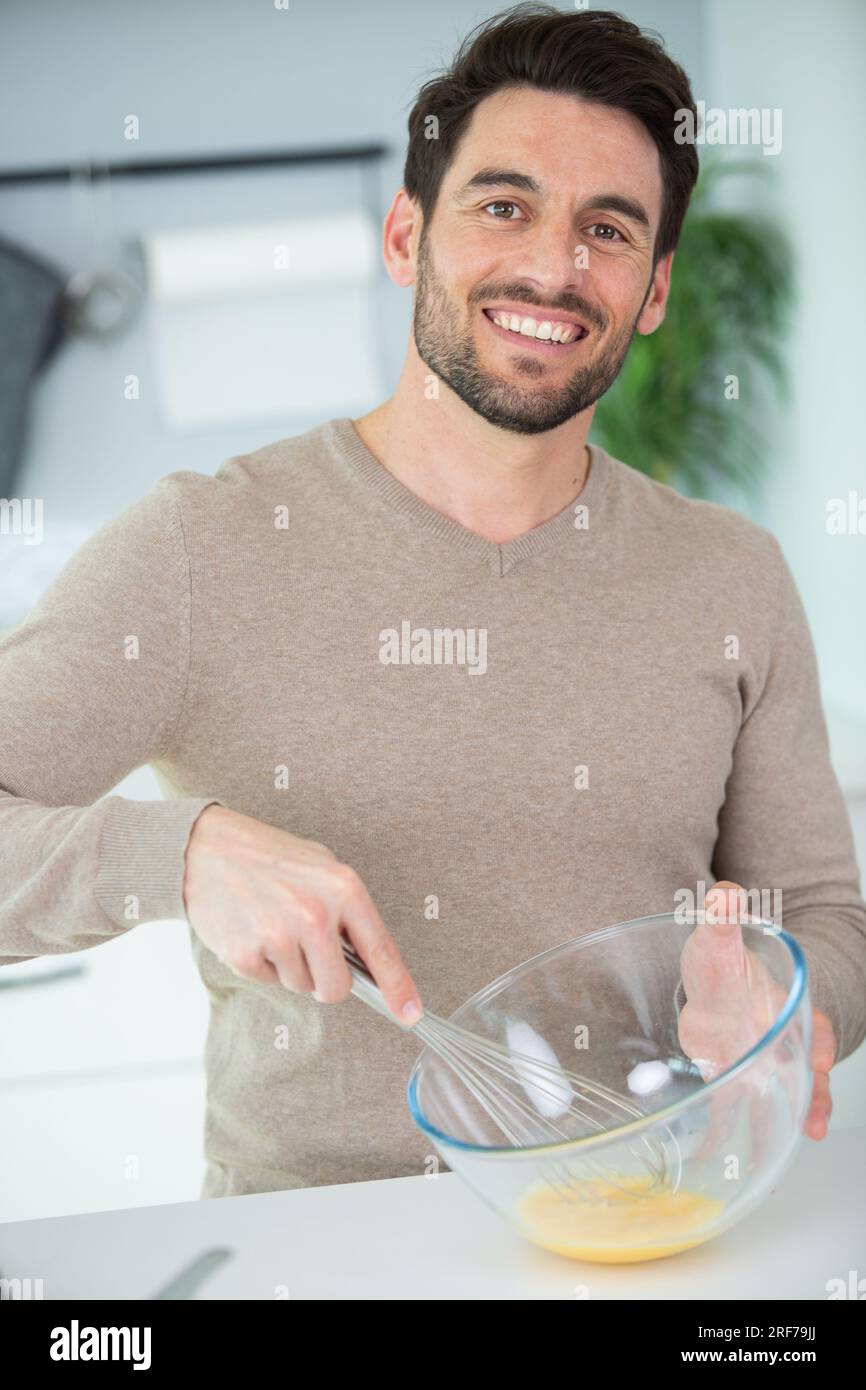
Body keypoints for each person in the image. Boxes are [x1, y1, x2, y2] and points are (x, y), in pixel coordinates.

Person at [0, 4, 861, 1200]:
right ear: (406, 234)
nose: (552, 267)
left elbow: (821, 913)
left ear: (654, 290)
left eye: (606, 230)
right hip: (319, 1255)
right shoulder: (200, 546)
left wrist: (787, 989)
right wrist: (175, 850)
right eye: (502, 205)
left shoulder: (731, 575)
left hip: (639, 1226)